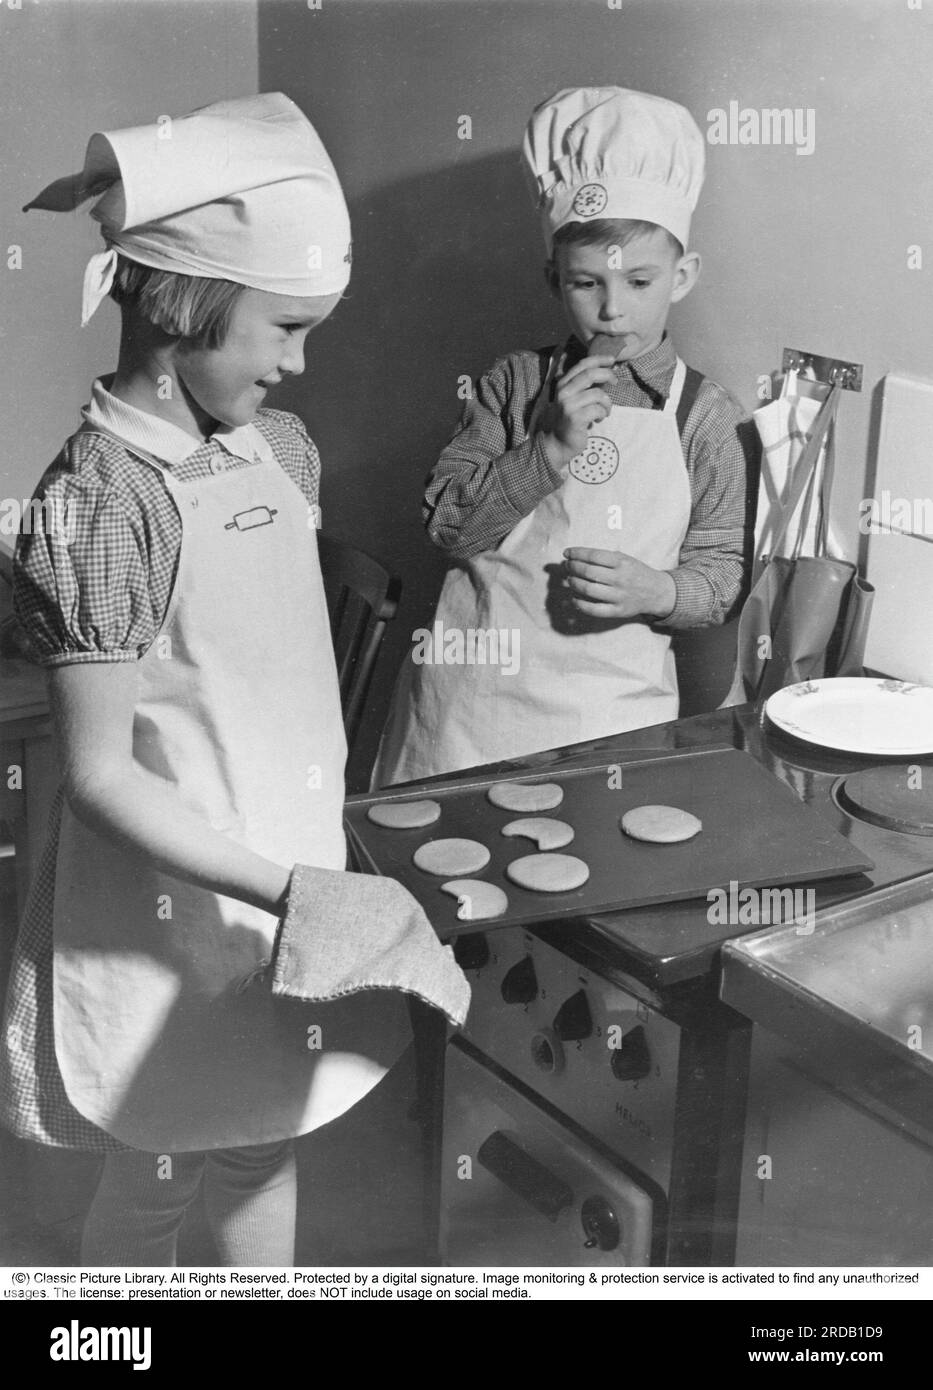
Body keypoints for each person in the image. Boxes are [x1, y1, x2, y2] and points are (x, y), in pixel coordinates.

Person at [0, 93, 467, 1267]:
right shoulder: (100, 502)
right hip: (179, 902)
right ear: (179, 305)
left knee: (264, 1138)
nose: (302, 361)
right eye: (284, 328)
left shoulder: (281, 448)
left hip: (284, 887)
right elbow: (101, 773)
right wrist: (288, 890)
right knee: (160, 1167)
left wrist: (309, 882)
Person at [374, 87, 751, 786]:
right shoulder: (512, 384)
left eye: (639, 281)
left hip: (609, 723)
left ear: (682, 276)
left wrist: (660, 592)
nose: (613, 309)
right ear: (553, 279)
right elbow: (447, 528)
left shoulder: (707, 415)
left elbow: (724, 575)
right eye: (586, 283)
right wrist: (544, 451)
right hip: (468, 714)